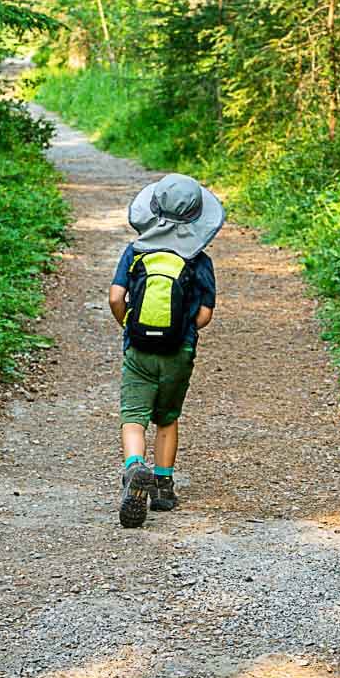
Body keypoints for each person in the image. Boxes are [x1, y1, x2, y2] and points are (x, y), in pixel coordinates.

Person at [108, 173, 223, 528]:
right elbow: (204, 314)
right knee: (167, 418)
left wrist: (129, 322)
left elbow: (115, 296)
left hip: (138, 348)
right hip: (179, 350)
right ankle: (162, 485)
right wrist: (184, 329)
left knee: (133, 417)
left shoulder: (135, 251)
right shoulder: (199, 260)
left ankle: (132, 469)